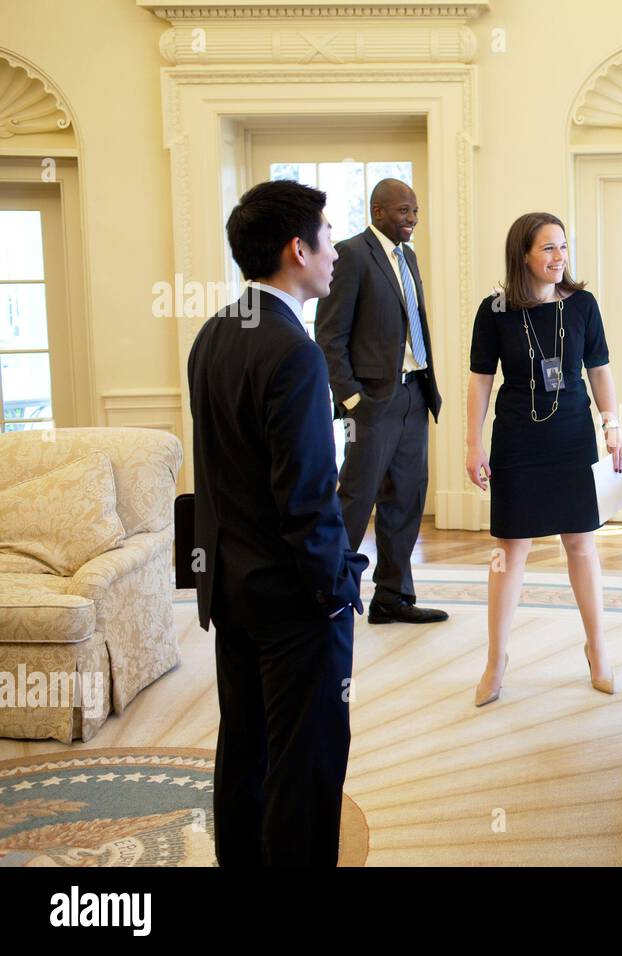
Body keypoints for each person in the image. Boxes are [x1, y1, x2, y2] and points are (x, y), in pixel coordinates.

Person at [188, 179, 367, 865]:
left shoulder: (214, 333)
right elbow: (306, 498)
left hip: (229, 587)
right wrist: (335, 592)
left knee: (245, 749)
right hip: (293, 597)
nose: (334, 255)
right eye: (327, 239)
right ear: (298, 248)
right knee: (307, 765)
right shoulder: (294, 352)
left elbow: (224, 471)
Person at [465, 212, 622, 706]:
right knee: (509, 549)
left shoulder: (581, 305)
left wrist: (612, 425)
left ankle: (597, 650)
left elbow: (598, 370)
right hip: (516, 437)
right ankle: (497, 660)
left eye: (562, 248)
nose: (559, 258)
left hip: (572, 435)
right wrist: (472, 444)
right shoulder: (494, 311)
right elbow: (480, 380)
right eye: (548, 249)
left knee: (580, 543)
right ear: (524, 255)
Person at [315, 178, 447, 625]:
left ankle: (392, 597)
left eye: (415, 211)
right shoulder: (352, 254)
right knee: (355, 498)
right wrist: (352, 398)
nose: (411, 219)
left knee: (406, 499)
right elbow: (330, 334)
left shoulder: (406, 255)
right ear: (377, 212)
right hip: (372, 402)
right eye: (403, 211)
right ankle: (329, 592)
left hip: (414, 393)